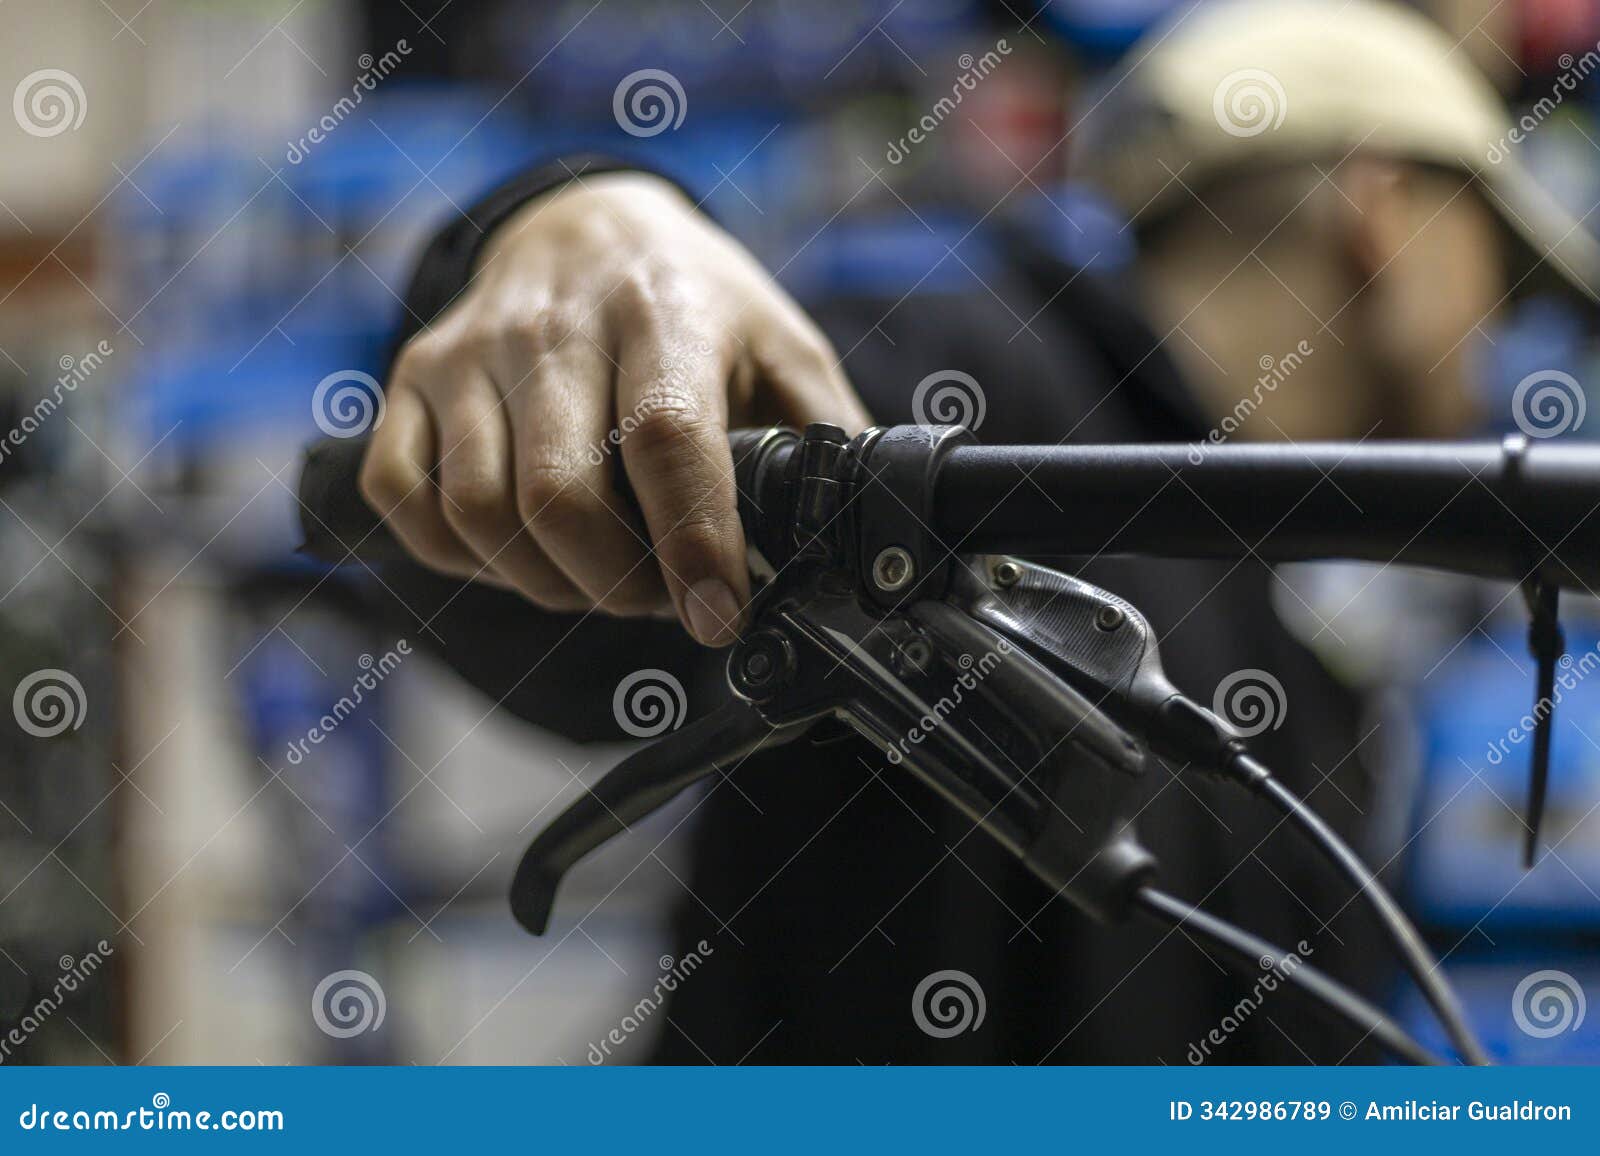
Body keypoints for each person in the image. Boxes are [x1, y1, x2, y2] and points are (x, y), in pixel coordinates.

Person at [334, 0, 1599, 1062]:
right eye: (1501, 268)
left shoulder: (1288, 657)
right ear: (1381, 213)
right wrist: (574, 226)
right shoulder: (973, 399)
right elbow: (526, 580)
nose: (1503, 332)